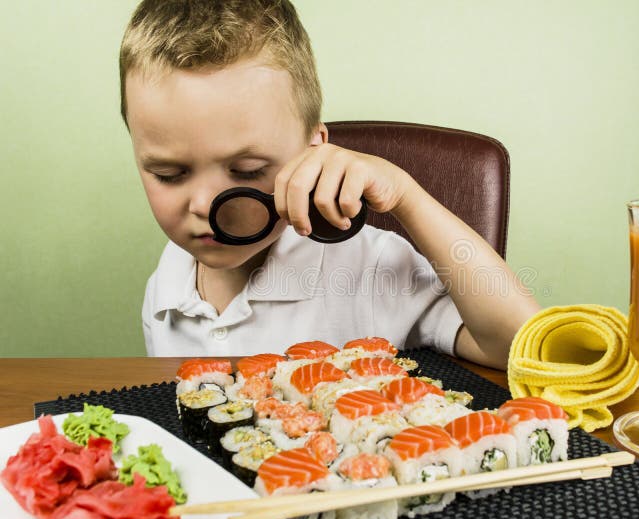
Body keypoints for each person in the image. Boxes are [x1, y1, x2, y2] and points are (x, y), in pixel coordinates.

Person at [120, 0, 540, 370]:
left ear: (312, 151)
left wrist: (407, 197)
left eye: (247, 170)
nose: (205, 204)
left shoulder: (369, 267)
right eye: (169, 175)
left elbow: (523, 348)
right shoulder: (169, 277)